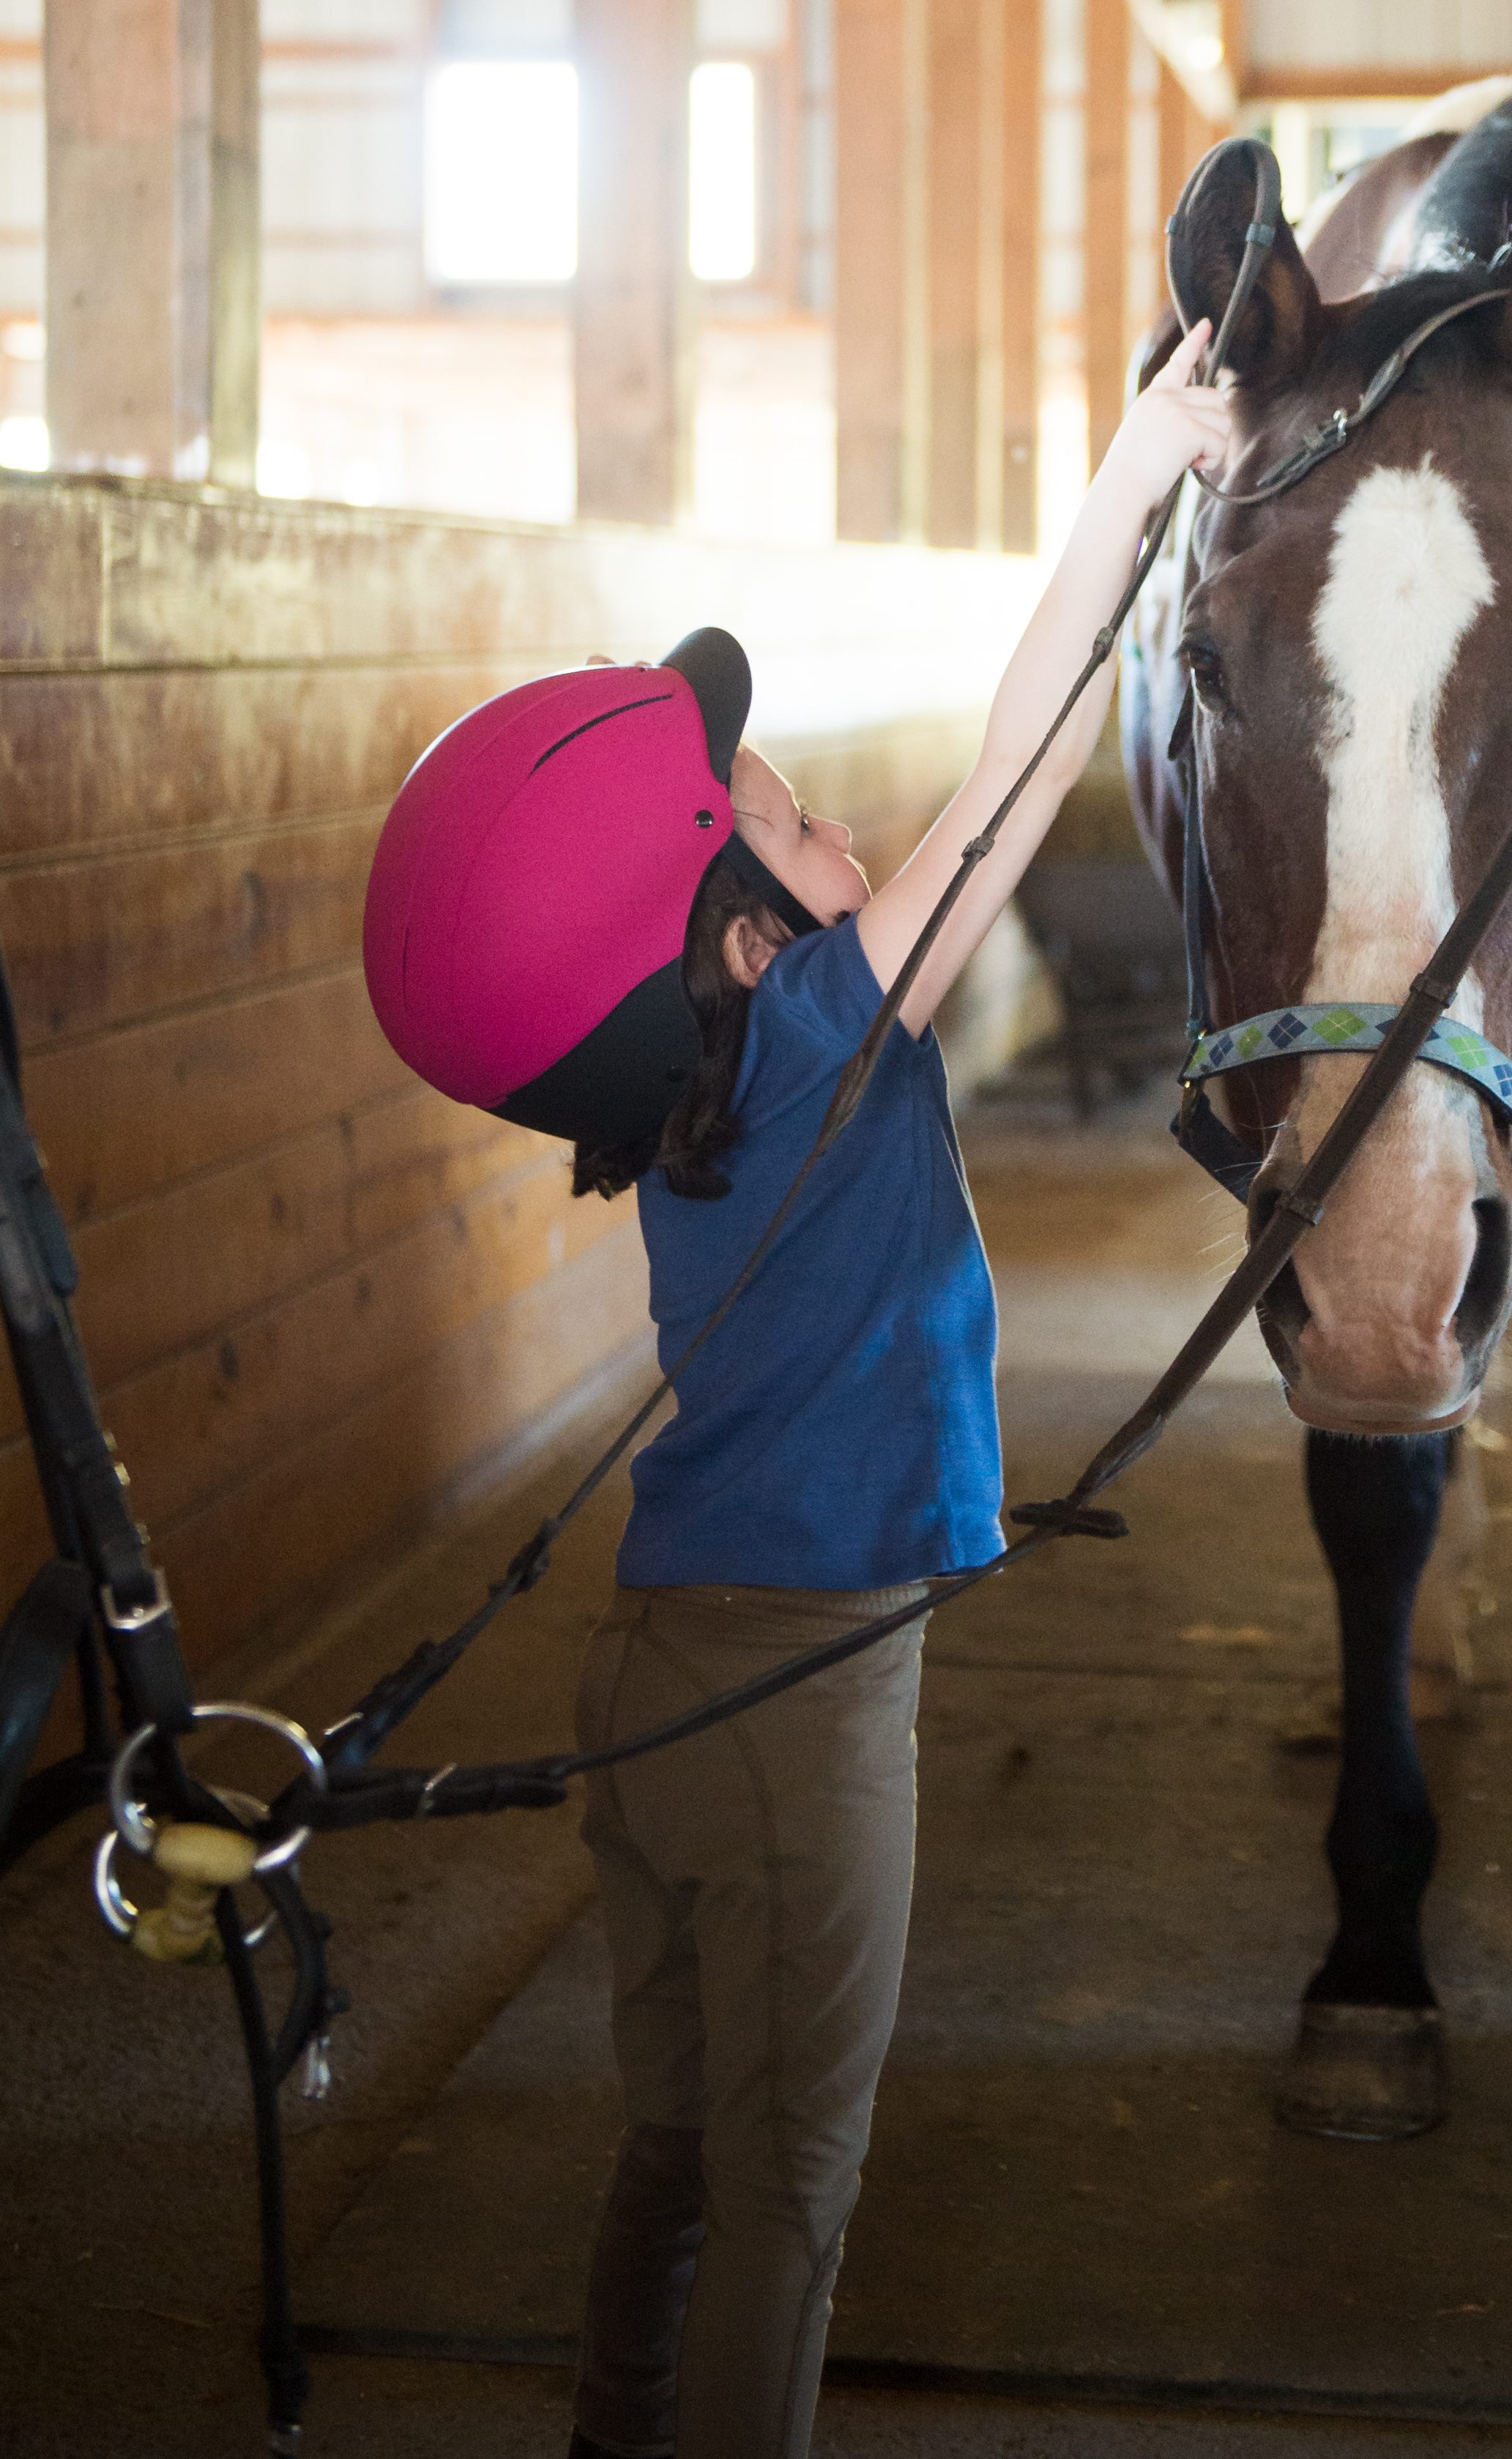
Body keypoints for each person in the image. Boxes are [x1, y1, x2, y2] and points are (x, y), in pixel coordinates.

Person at [360, 321, 1228, 2459]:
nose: (847, 827)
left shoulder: (707, 1113)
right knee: (795, 2193)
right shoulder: (833, 1031)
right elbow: (1018, 784)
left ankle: (608, 2430)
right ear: (748, 949)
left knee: (679, 2147)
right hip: (796, 1693)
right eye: (803, 824)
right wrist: (1131, 489)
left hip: (662, 1679)